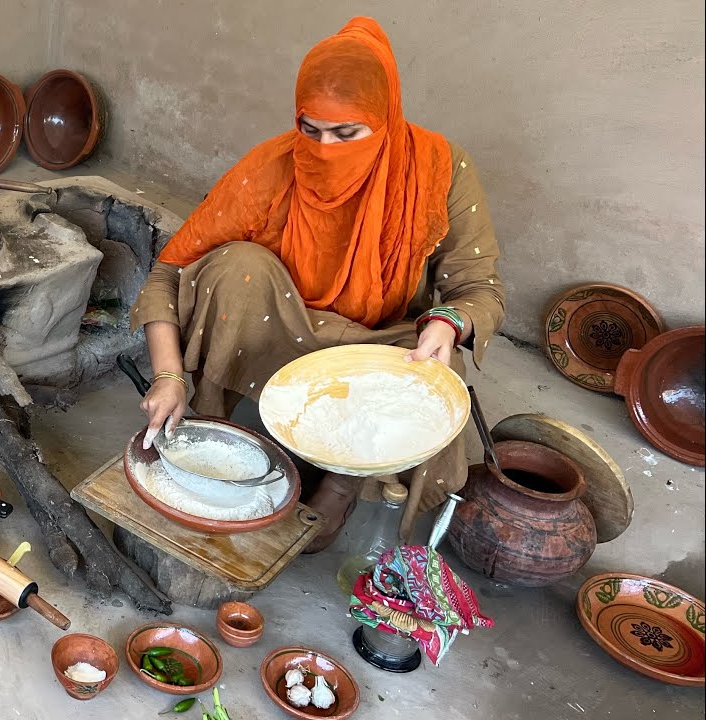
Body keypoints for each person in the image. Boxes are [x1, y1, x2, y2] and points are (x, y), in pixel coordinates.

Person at [130, 17, 504, 550]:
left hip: (374, 345)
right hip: (281, 322)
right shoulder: (274, 165)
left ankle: (342, 484)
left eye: (347, 134)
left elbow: (480, 288)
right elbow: (171, 268)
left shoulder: (439, 170)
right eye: (312, 129)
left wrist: (450, 322)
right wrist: (167, 375)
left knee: (433, 365)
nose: (325, 148)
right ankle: (216, 427)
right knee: (238, 266)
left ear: (386, 117)